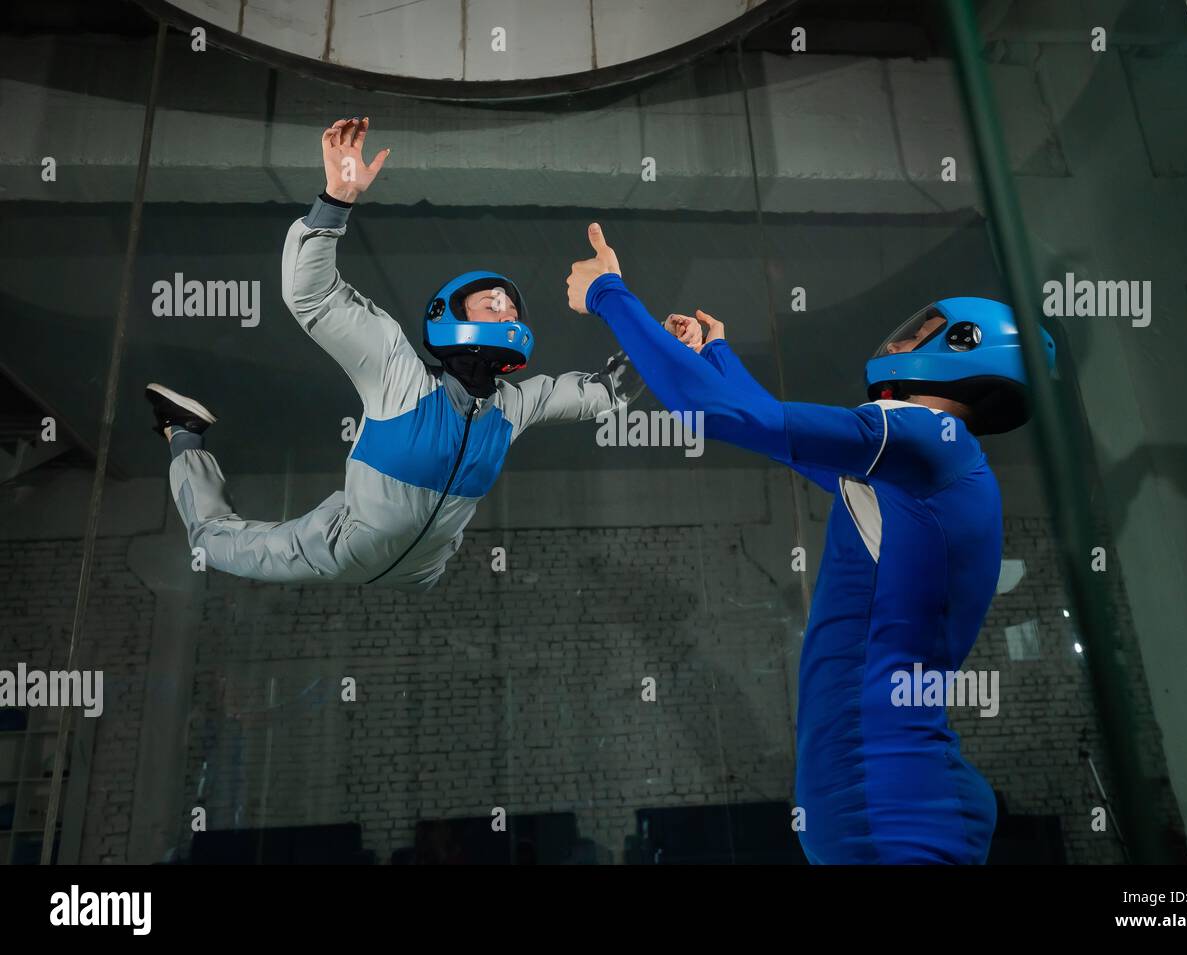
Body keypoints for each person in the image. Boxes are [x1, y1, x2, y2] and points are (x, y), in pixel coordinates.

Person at [566, 223, 1057, 865]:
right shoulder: (934, 468)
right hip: (894, 798)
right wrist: (713, 354)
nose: (902, 339)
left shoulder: (922, 437)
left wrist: (608, 292)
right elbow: (773, 428)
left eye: (920, 329)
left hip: (890, 805)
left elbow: (722, 414)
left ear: (963, 345)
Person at [145, 119, 640, 591]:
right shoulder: (396, 371)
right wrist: (336, 200)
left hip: (421, 573)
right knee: (211, 541)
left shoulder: (513, 407)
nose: (506, 309)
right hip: (339, 550)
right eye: (491, 302)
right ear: (451, 313)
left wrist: (660, 341)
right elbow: (312, 298)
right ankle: (183, 434)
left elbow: (606, 392)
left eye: (511, 307)